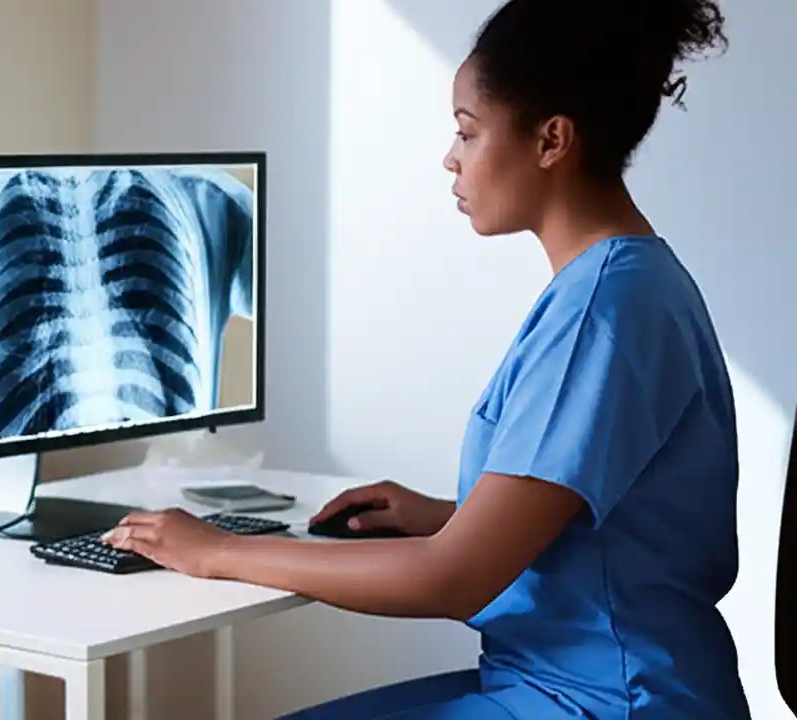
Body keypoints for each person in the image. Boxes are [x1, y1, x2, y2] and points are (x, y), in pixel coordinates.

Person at [100, 0, 751, 717]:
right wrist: (446, 515)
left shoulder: (605, 309)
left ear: (551, 140)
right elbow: (601, 526)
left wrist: (215, 551)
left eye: (467, 131)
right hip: (565, 681)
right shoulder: (627, 283)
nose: (451, 156)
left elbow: (452, 581)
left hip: (609, 700)